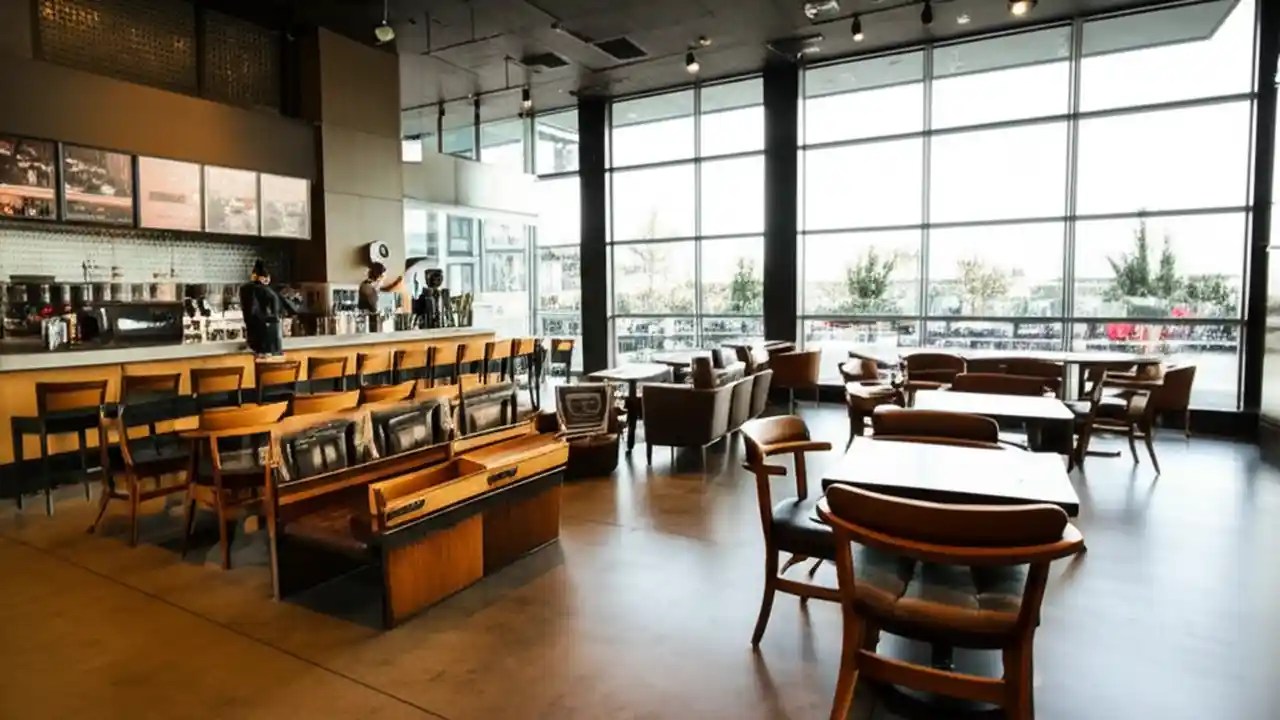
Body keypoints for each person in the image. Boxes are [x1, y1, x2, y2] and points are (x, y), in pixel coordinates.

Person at [239, 259, 289, 356]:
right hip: (272, 343)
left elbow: (249, 315)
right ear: (266, 278)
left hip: (255, 341)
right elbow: (280, 313)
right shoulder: (270, 293)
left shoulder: (246, 289)